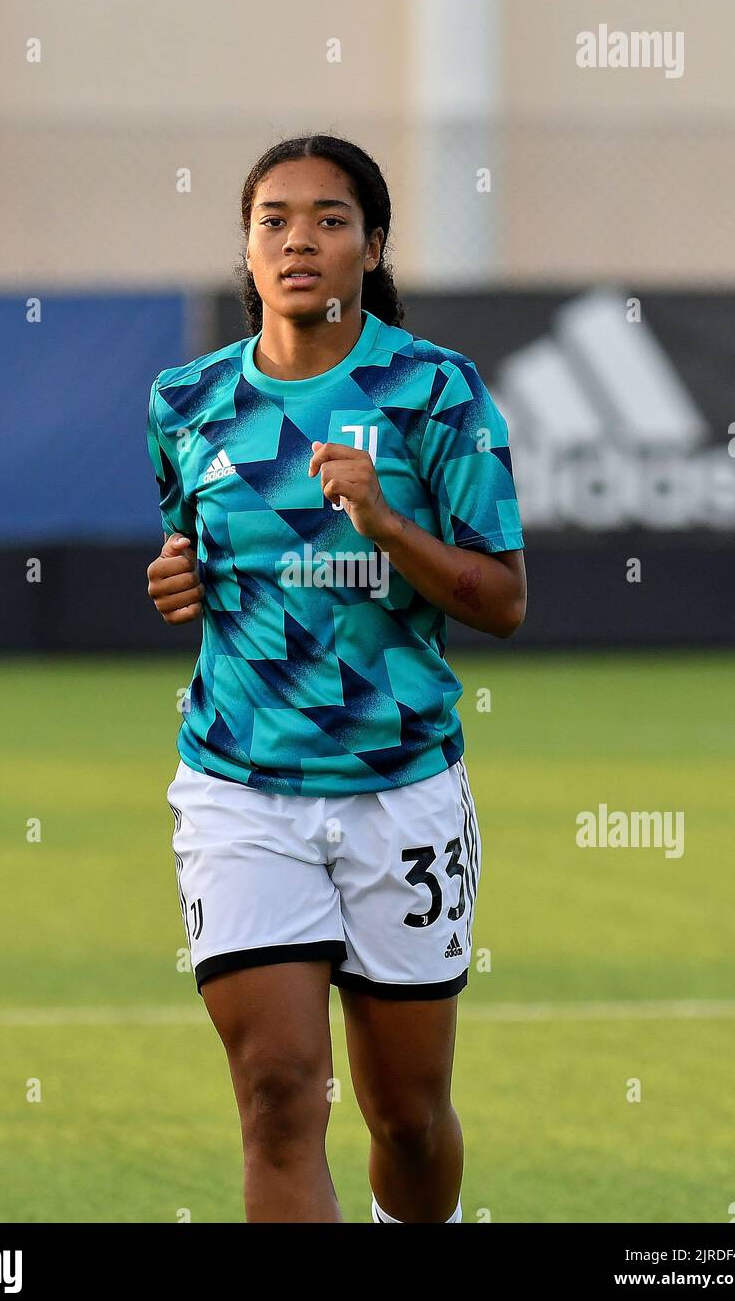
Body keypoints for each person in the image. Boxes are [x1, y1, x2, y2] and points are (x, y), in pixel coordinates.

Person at [145, 133, 526, 1223]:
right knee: (277, 1098)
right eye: (274, 219)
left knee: (406, 1116)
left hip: (399, 790)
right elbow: (194, 549)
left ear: (373, 245)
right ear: (247, 246)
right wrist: (177, 577)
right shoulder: (187, 401)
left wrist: (386, 524)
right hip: (240, 788)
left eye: (329, 218)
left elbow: (502, 600)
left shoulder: (435, 392)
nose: (298, 239)